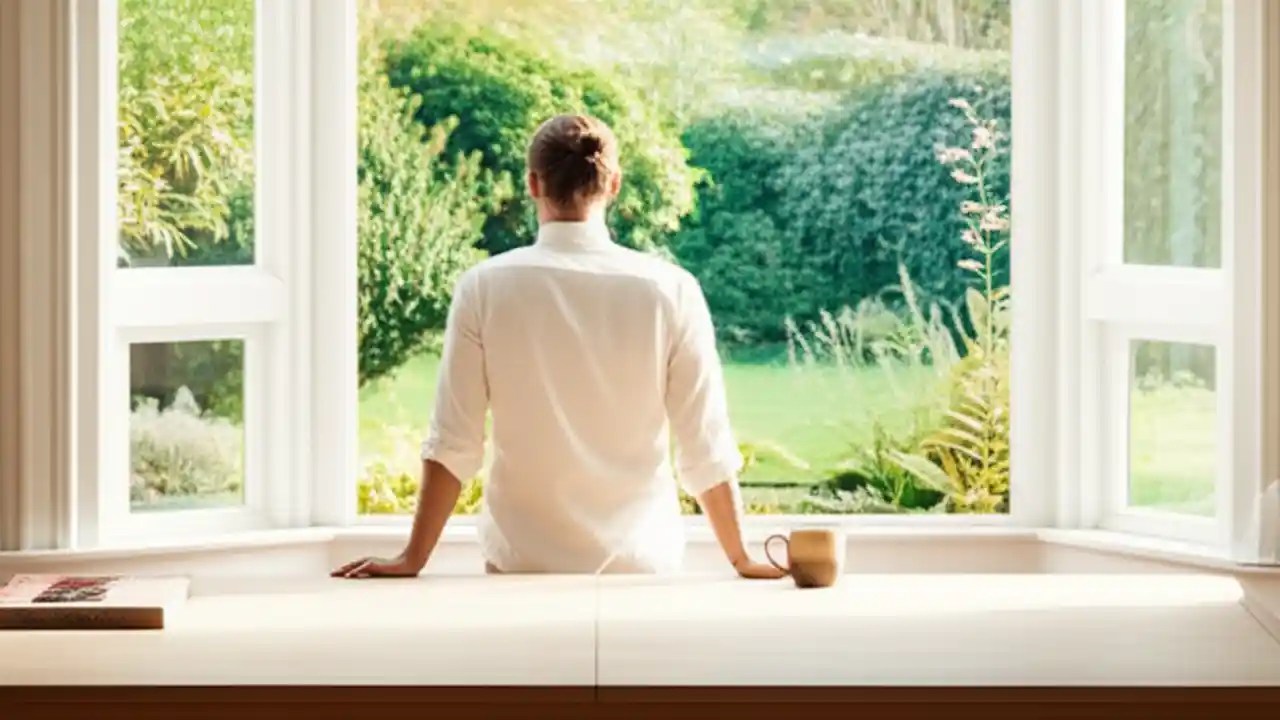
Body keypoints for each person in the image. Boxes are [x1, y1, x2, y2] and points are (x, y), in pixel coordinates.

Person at [333, 114, 783, 579]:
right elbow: (703, 444)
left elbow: (453, 444)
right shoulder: (671, 289)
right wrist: (741, 557)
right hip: (643, 566)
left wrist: (412, 559)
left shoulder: (485, 287)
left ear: (532, 184)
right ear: (614, 185)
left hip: (521, 567)